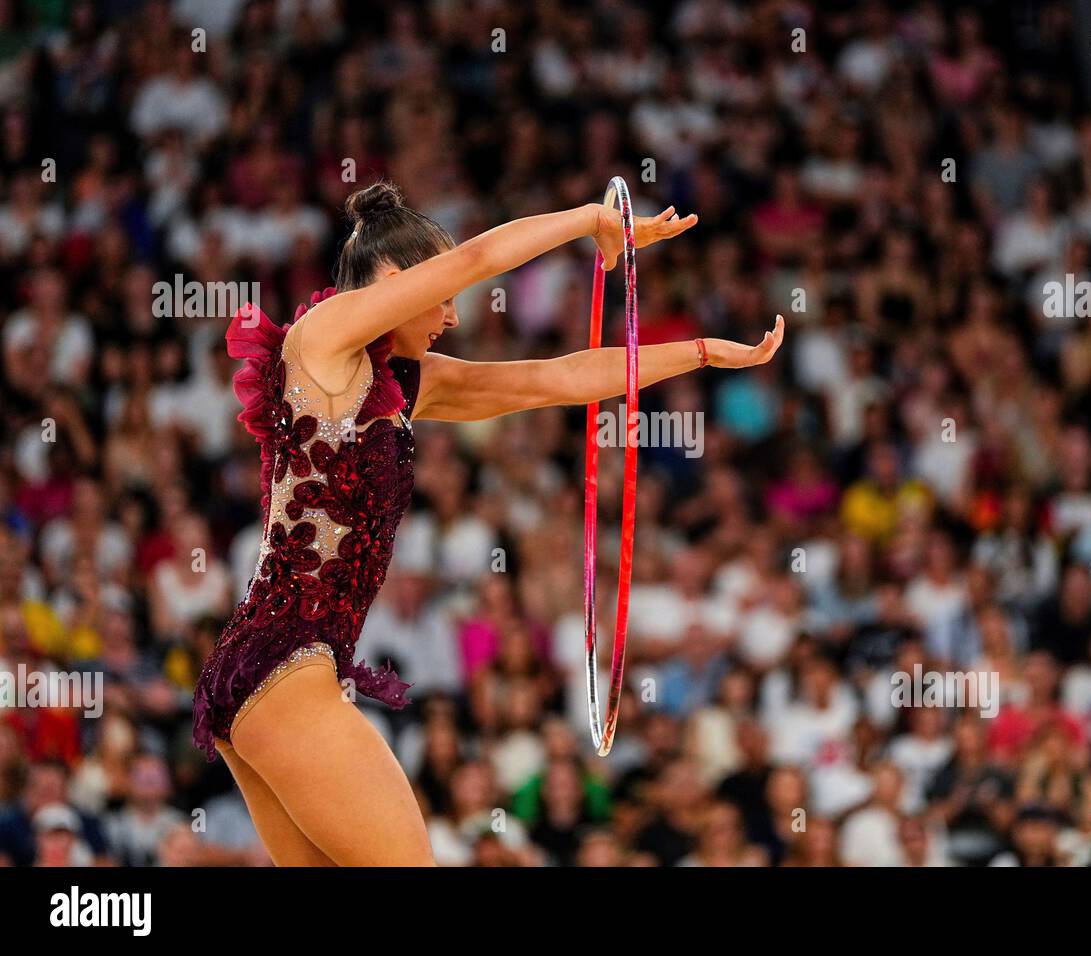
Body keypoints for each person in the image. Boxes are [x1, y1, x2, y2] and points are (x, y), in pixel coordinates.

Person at [192, 181, 785, 865]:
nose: (449, 316)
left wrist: (702, 351)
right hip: (284, 667)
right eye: (440, 297)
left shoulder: (407, 384)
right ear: (394, 280)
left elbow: (554, 379)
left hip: (266, 673)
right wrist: (590, 219)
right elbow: (477, 259)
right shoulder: (319, 342)